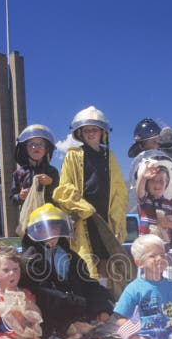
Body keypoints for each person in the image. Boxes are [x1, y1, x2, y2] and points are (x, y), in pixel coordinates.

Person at [53, 106, 128, 281]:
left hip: (105, 219)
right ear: (80, 133)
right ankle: (91, 303)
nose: (90, 133)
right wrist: (83, 207)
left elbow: (119, 192)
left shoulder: (110, 157)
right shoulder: (73, 156)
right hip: (84, 219)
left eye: (94, 129)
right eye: (86, 130)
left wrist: (117, 222)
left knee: (108, 265)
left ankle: (108, 302)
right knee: (86, 265)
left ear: (102, 132)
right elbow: (63, 188)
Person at [20, 204, 114, 339]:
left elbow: (88, 283)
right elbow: (41, 294)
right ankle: (71, 328)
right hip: (46, 315)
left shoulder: (71, 256)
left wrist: (102, 306)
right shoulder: (29, 259)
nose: (51, 232)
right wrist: (78, 303)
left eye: (55, 226)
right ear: (35, 231)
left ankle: (79, 325)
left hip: (75, 310)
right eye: (45, 228)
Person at [133, 150, 172, 248]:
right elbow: (139, 191)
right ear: (147, 184)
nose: (157, 184)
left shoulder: (169, 204)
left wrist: (167, 223)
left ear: (166, 183)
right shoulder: (145, 200)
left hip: (163, 245)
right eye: (152, 181)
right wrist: (143, 177)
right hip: (146, 245)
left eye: (161, 181)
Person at [11, 124, 60, 206]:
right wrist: (20, 196)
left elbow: (61, 195)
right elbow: (13, 198)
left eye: (40, 144)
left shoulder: (52, 171)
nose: (36, 147)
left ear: (46, 149)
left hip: (50, 215)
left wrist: (51, 183)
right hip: (29, 216)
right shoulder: (18, 173)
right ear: (25, 149)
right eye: (31, 144)